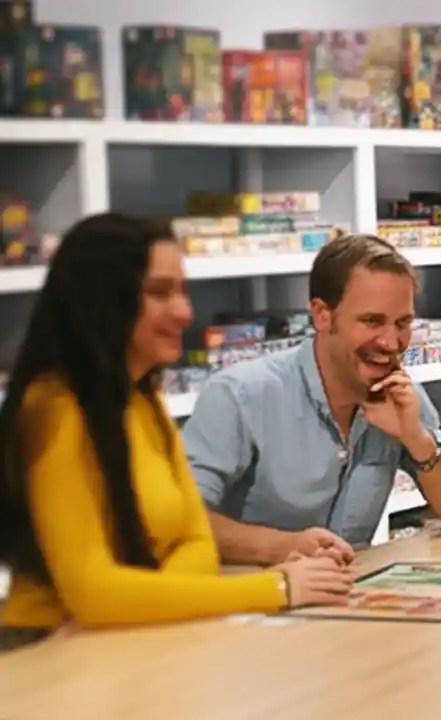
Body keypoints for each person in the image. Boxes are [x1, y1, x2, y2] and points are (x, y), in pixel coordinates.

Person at [0, 213, 353, 650]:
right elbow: (92, 591)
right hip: (43, 650)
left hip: (117, 642)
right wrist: (276, 588)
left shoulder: (143, 398)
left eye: (183, 291)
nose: (185, 312)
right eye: (160, 293)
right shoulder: (53, 409)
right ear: (104, 298)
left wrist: (136, 602)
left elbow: (197, 543)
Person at [182, 234, 441, 567]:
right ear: (322, 315)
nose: (390, 342)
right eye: (371, 321)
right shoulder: (240, 395)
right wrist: (281, 547)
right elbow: (181, 521)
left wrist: (416, 439)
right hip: (251, 603)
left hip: (343, 604)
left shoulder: (399, 395)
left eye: (402, 323)